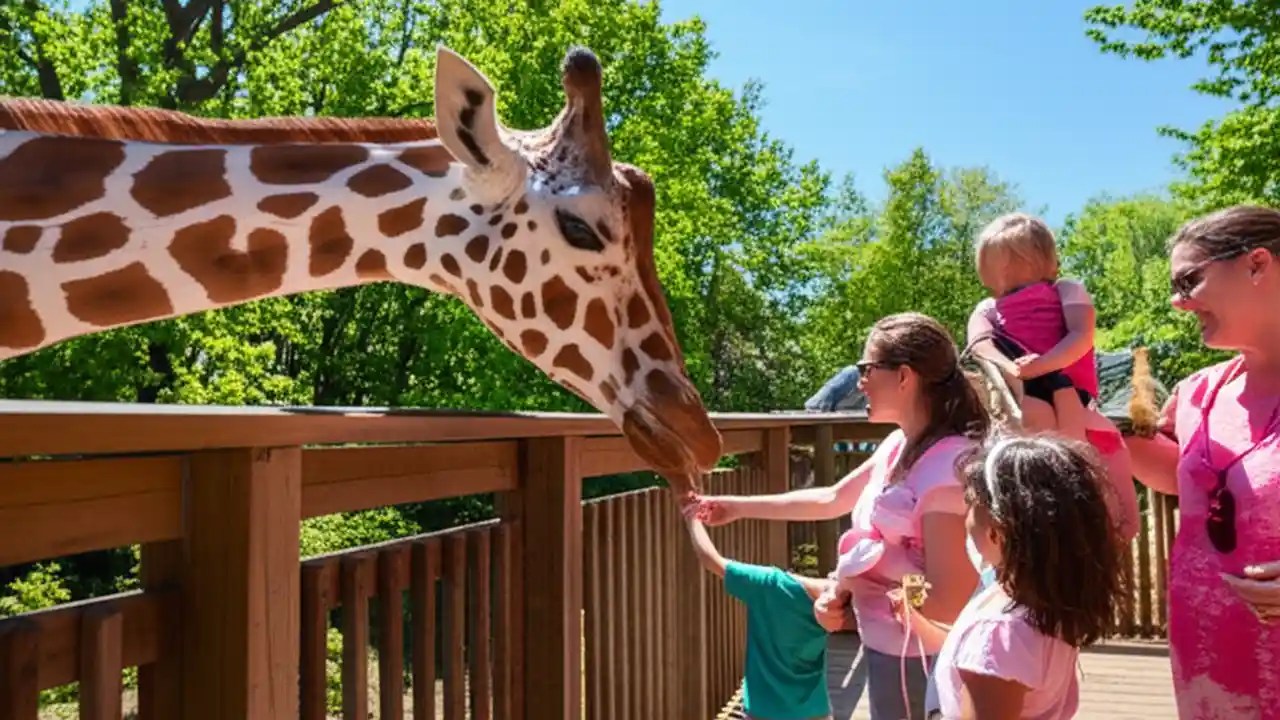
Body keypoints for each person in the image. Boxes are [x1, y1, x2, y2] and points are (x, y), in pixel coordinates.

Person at [685, 312, 987, 720]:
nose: (859, 380)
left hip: (924, 662)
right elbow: (831, 498)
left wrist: (870, 585)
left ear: (903, 376)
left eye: (866, 368)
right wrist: (736, 507)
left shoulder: (945, 470)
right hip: (891, 651)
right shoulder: (900, 445)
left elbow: (950, 597)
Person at [1123, 204, 1280, 719]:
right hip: (1208, 665)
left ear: (1257, 265)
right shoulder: (1197, 394)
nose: (1177, 301)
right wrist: (1100, 430)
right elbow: (1184, 479)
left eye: (1189, 280)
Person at [899, 432, 1129, 719]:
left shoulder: (998, 633)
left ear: (997, 531)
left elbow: (990, 656)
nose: (964, 515)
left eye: (969, 503)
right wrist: (915, 621)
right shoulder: (1040, 607)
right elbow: (974, 652)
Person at [965, 212, 1140, 543]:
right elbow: (979, 344)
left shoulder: (1067, 289)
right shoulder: (988, 308)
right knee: (1047, 432)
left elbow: (1081, 335)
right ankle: (1070, 506)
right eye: (1002, 271)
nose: (1008, 280)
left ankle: (1111, 515)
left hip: (1066, 387)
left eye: (1015, 267)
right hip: (1022, 395)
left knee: (1087, 431)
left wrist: (1043, 363)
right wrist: (1015, 367)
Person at [682, 514, 834, 720]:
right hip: (814, 712)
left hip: (764, 711)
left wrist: (691, 515)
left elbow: (711, 560)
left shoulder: (770, 585)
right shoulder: (836, 606)